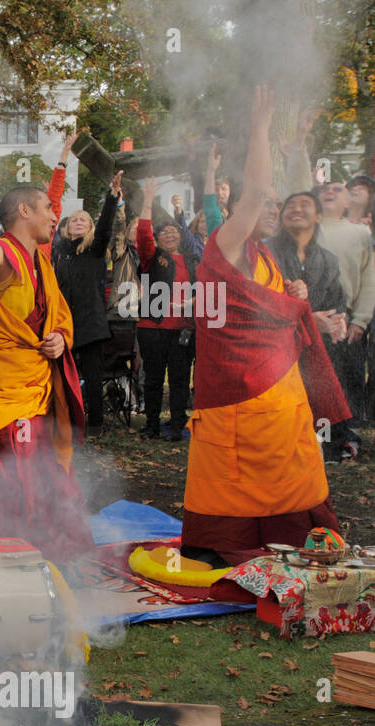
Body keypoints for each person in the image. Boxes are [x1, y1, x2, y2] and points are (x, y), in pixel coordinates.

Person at [182, 87, 348, 565]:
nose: (273, 209)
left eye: (277, 204)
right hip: (237, 387)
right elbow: (253, 192)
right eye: (267, 203)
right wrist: (260, 130)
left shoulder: (263, 256)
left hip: (281, 387)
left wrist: (306, 312)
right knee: (238, 472)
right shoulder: (227, 242)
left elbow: (264, 314)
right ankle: (229, 545)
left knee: (292, 463)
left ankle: (296, 538)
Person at [0, 186, 93, 566]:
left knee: (44, 477)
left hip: (36, 385)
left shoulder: (40, 261)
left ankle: (51, 554)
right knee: (10, 481)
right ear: (24, 211)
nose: (53, 215)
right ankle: (9, 558)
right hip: (0, 392)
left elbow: (56, 316)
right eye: (47, 207)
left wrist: (60, 338)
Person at [266, 190, 356, 460]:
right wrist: (309, 319)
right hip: (279, 345)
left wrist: (340, 320)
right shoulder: (267, 251)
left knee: (322, 393)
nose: (297, 209)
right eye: (290, 205)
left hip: (318, 346)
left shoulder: (328, 259)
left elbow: (337, 300)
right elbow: (263, 297)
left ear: (318, 215)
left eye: (305, 205)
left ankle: (325, 448)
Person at [52, 171, 121, 437]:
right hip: (64, 323)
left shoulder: (94, 249)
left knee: (93, 375)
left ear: (90, 227)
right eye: (74, 219)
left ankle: (95, 424)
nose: (78, 222)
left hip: (90, 322)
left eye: (84, 219)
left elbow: (106, 225)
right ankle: (62, 420)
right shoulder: (61, 253)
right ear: (67, 227)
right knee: (61, 374)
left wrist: (112, 198)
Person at [136, 176, 199, 440]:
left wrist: (195, 301)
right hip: (153, 328)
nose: (171, 234)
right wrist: (148, 200)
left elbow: (206, 288)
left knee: (179, 380)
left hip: (183, 330)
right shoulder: (152, 258)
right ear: (158, 239)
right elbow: (142, 233)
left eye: (175, 230)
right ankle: (151, 425)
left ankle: (176, 425)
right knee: (152, 379)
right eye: (165, 232)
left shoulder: (193, 261)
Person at [315, 180, 374, 429]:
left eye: (338, 190)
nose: (330, 191)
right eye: (325, 189)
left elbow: (369, 278)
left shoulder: (361, 233)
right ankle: (316, 431)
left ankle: (349, 433)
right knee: (316, 378)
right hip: (312, 313)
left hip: (347, 316)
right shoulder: (308, 228)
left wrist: (360, 320)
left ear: (347, 202)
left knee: (349, 376)